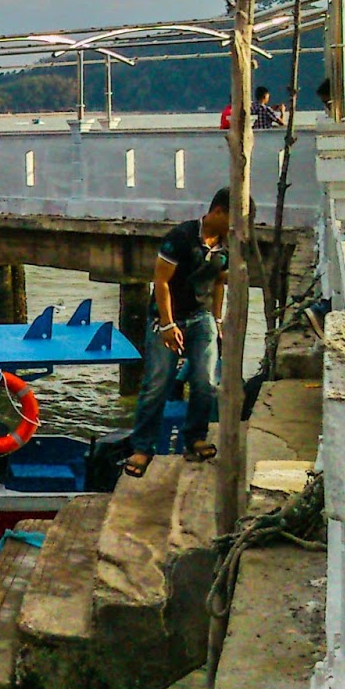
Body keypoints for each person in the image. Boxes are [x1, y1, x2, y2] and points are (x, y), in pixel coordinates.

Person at [124, 186, 244, 478]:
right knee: (157, 382)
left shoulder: (227, 246)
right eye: (235, 218)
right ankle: (142, 447)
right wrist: (167, 324)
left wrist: (217, 320)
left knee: (206, 380)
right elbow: (161, 281)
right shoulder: (180, 238)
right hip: (166, 317)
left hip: (201, 317)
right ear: (219, 212)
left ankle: (195, 437)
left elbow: (219, 282)